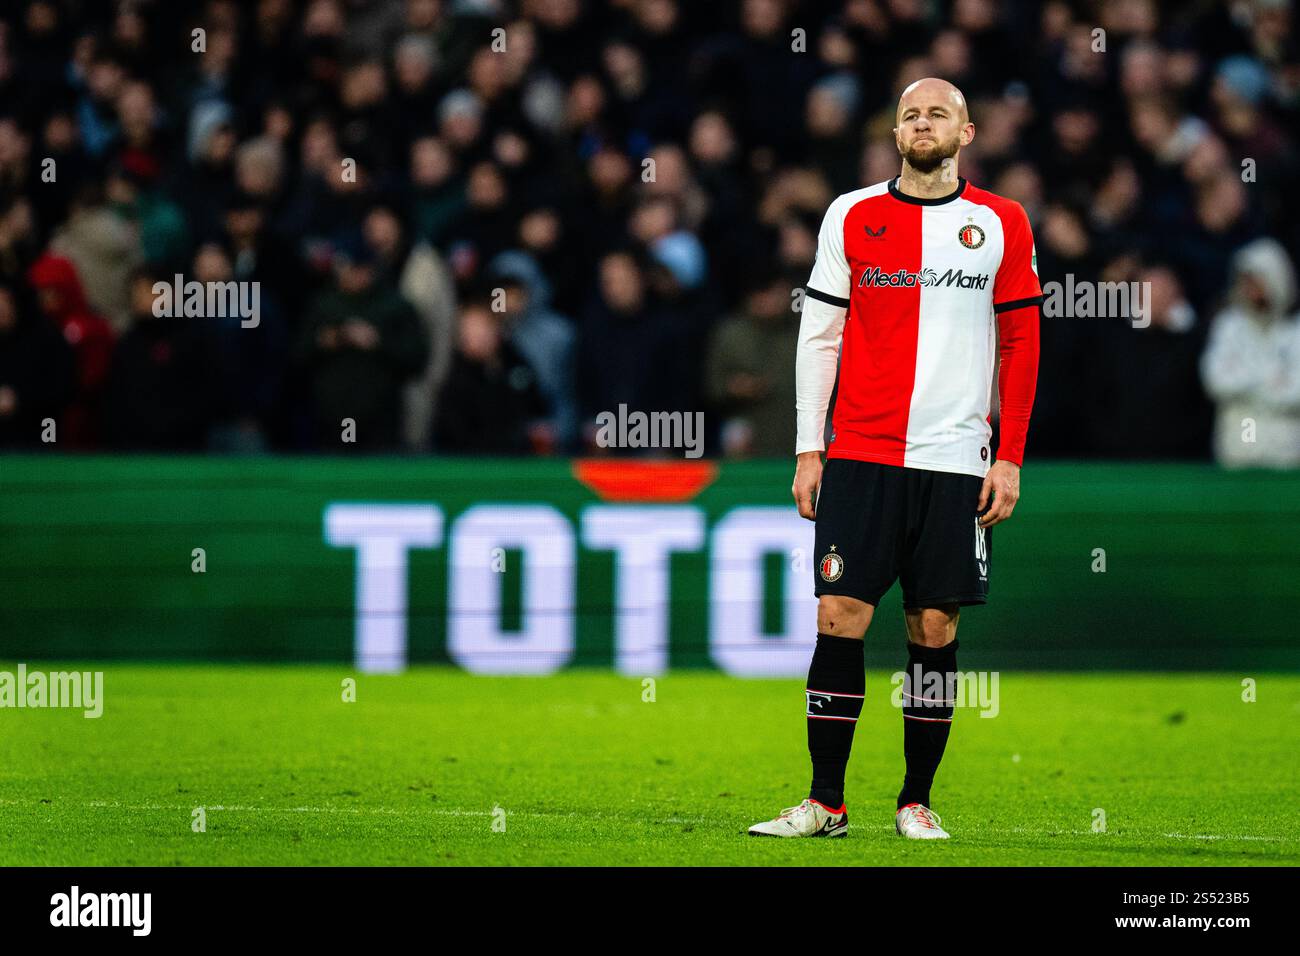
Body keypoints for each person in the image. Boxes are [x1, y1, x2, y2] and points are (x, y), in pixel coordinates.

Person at [748, 78, 1041, 841]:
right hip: (862, 455)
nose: (921, 123)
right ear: (896, 132)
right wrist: (810, 447)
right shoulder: (852, 214)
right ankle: (826, 803)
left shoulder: (1002, 222)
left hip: (954, 460)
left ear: (966, 132)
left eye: (937, 112)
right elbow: (819, 337)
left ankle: (916, 800)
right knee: (838, 616)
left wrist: (1007, 459)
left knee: (934, 627)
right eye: (910, 113)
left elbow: (1021, 343)